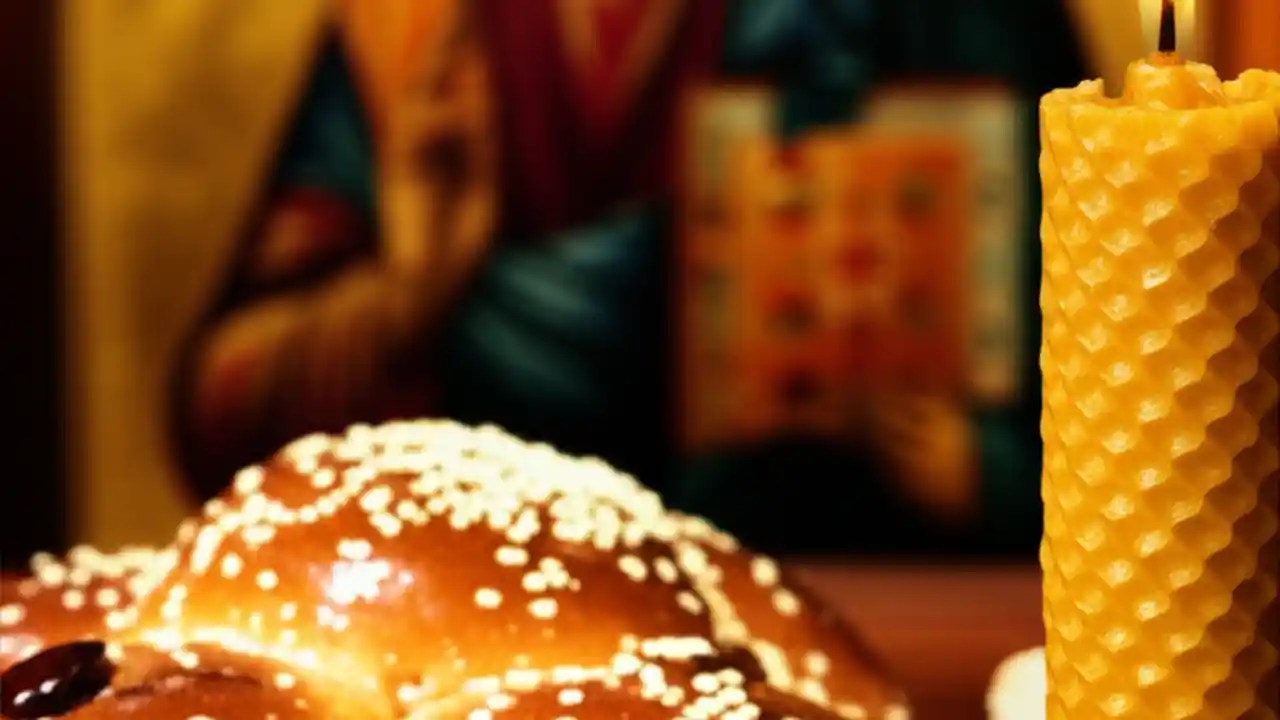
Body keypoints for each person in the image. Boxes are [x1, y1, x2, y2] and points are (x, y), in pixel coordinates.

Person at [158, 0, 1085, 555]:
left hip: (874, 632)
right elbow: (229, 423)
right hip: (495, 637)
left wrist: (994, 474)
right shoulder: (426, 37)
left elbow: (1116, 345)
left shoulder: (932, 13)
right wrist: (409, 296)